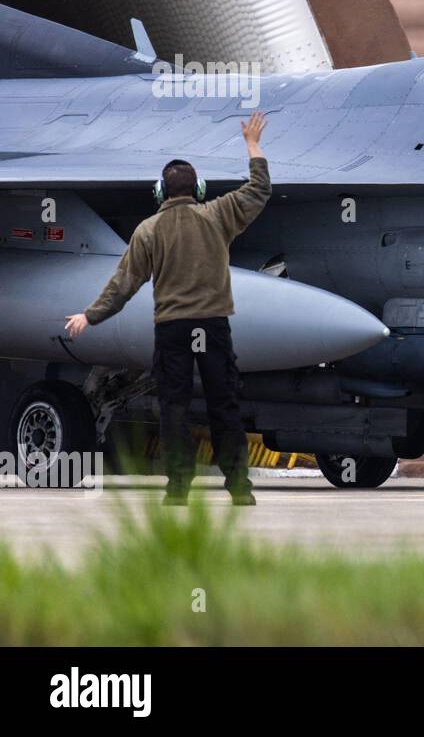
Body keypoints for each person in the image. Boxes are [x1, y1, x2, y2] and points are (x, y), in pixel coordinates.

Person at [65, 112, 272, 506]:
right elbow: (260, 189)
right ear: (199, 189)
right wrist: (252, 145)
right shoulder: (218, 214)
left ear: (161, 192)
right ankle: (240, 489)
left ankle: (178, 489)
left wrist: (89, 315)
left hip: (174, 331)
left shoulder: (148, 230)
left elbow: (123, 285)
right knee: (223, 404)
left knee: (174, 407)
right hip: (212, 328)